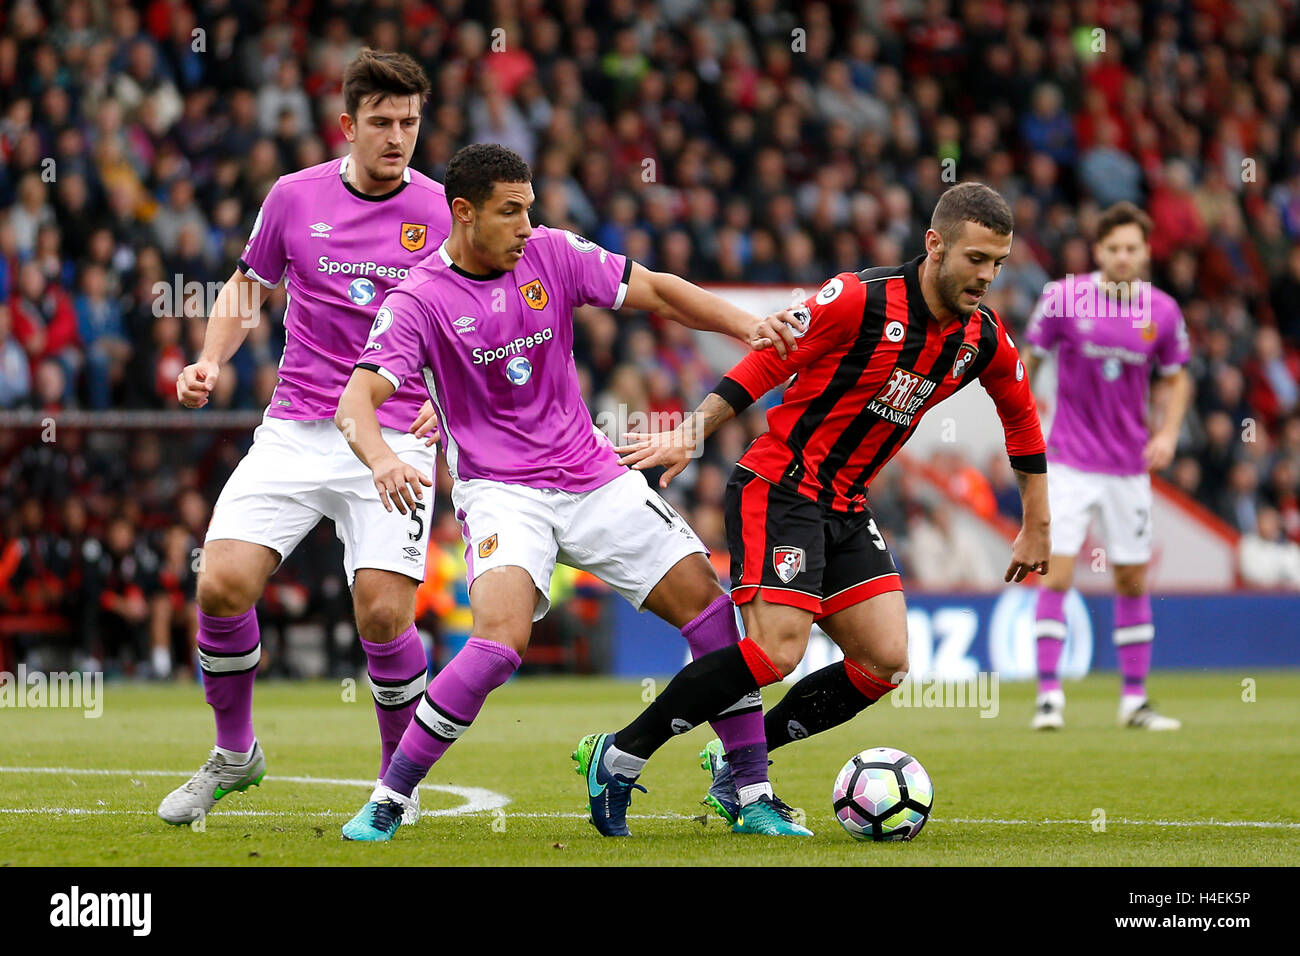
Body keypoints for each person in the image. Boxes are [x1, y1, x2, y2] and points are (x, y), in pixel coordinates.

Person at [333, 143, 806, 841]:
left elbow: (659, 290)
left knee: (711, 613)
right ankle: (392, 796)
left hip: (593, 476)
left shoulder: (551, 253)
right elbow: (356, 402)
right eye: (511, 211)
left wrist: (747, 325)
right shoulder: (418, 301)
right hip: (502, 493)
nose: (528, 224)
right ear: (463, 213)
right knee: (497, 646)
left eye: (530, 207)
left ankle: (751, 790)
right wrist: (380, 458)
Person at [598, 182, 1052, 833]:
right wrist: (694, 429)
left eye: (997, 263)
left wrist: (1036, 523)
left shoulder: (979, 340)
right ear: (935, 244)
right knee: (778, 652)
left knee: (885, 660)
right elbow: (767, 360)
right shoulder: (859, 299)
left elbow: (1023, 419)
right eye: (975, 258)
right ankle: (621, 754)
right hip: (781, 486)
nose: (986, 275)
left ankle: (735, 772)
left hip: (844, 504)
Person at [157, 50, 451, 826]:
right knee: (219, 584)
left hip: (393, 431)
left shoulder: (447, 209)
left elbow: (486, 315)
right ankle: (234, 753)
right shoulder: (293, 197)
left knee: (384, 615)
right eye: (383, 123)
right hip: (296, 425)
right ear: (348, 125)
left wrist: (451, 409)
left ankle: (396, 784)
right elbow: (247, 285)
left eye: (410, 123)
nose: (398, 138)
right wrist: (209, 359)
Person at [1022, 201, 1192, 731]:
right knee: (1057, 574)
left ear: (1144, 253)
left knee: (1132, 579)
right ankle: (1049, 697)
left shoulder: (1162, 311)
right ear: (1098, 251)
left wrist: (1166, 433)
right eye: (1113, 248)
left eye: (1132, 248)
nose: (1123, 256)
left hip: (1128, 468)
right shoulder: (1063, 299)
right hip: (1070, 462)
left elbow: (1177, 377)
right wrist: (1019, 421)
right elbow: (1029, 360)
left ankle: (1134, 702)